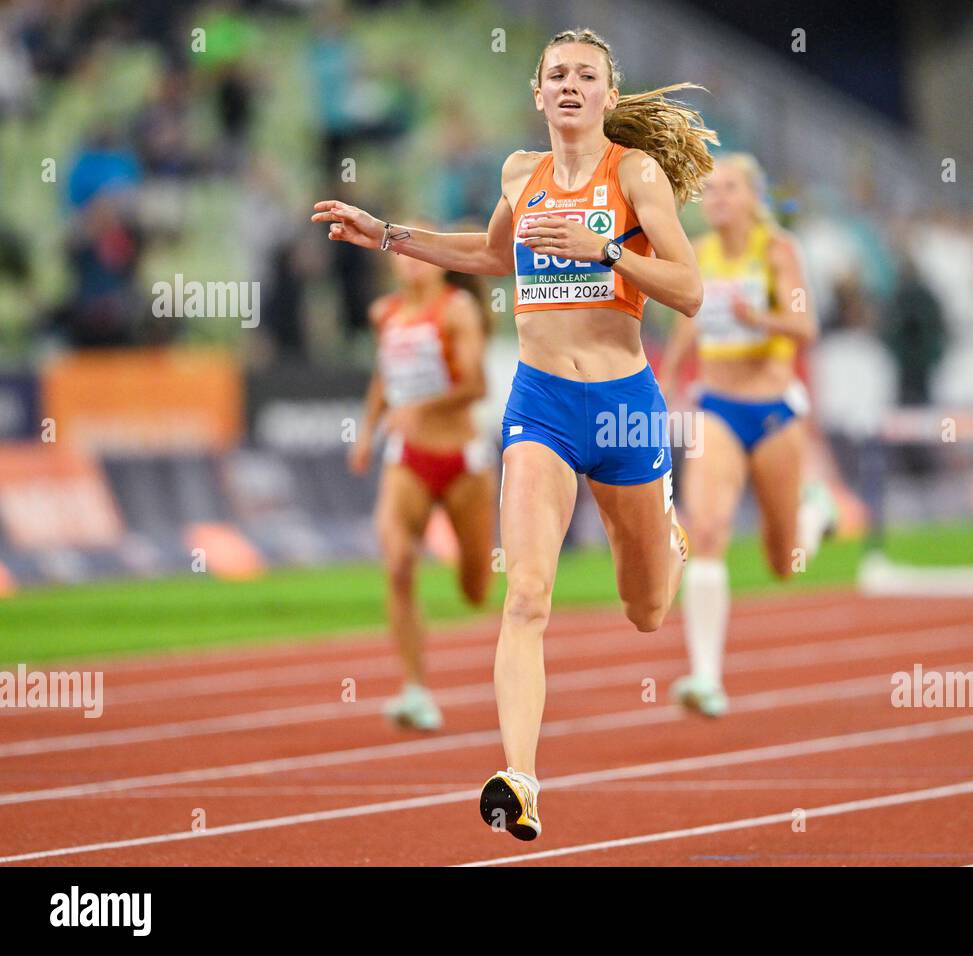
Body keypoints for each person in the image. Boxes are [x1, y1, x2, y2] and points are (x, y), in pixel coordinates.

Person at [313, 28, 715, 840]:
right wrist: (388, 233)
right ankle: (522, 778)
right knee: (526, 594)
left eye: (585, 75)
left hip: (625, 407)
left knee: (647, 610)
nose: (570, 85)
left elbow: (691, 289)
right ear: (537, 94)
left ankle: (664, 535)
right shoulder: (519, 174)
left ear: (607, 93)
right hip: (541, 410)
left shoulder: (634, 175)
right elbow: (492, 257)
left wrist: (606, 250)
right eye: (556, 74)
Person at [657, 154, 819, 718]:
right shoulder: (697, 254)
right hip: (717, 406)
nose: (717, 198)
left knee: (783, 559)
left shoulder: (777, 251)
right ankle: (706, 679)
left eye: (729, 189)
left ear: (753, 197)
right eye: (710, 190)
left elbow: (805, 326)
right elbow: (687, 318)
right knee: (707, 527)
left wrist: (760, 318)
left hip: (773, 408)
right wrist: (670, 374)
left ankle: (812, 519)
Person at [349, 229, 496, 732]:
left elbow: (476, 385)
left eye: (418, 255)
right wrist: (367, 433)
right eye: (401, 256)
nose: (410, 264)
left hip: (462, 459)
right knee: (398, 563)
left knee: (476, 588)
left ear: (436, 260)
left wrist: (421, 408)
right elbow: (383, 376)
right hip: (407, 458)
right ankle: (414, 688)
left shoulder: (458, 310)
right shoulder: (383, 314)